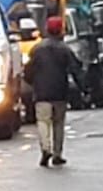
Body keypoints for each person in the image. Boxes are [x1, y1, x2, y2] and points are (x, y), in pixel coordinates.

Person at [23, 15, 85, 167]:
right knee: (58, 124)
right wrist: (83, 88)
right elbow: (76, 69)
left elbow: (28, 71)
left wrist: (33, 83)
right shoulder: (65, 50)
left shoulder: (37, 49)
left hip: (42, 93)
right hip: (60, 93)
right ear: (61, 31)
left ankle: (45, 148)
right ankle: (57, 154)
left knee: (43, 121)